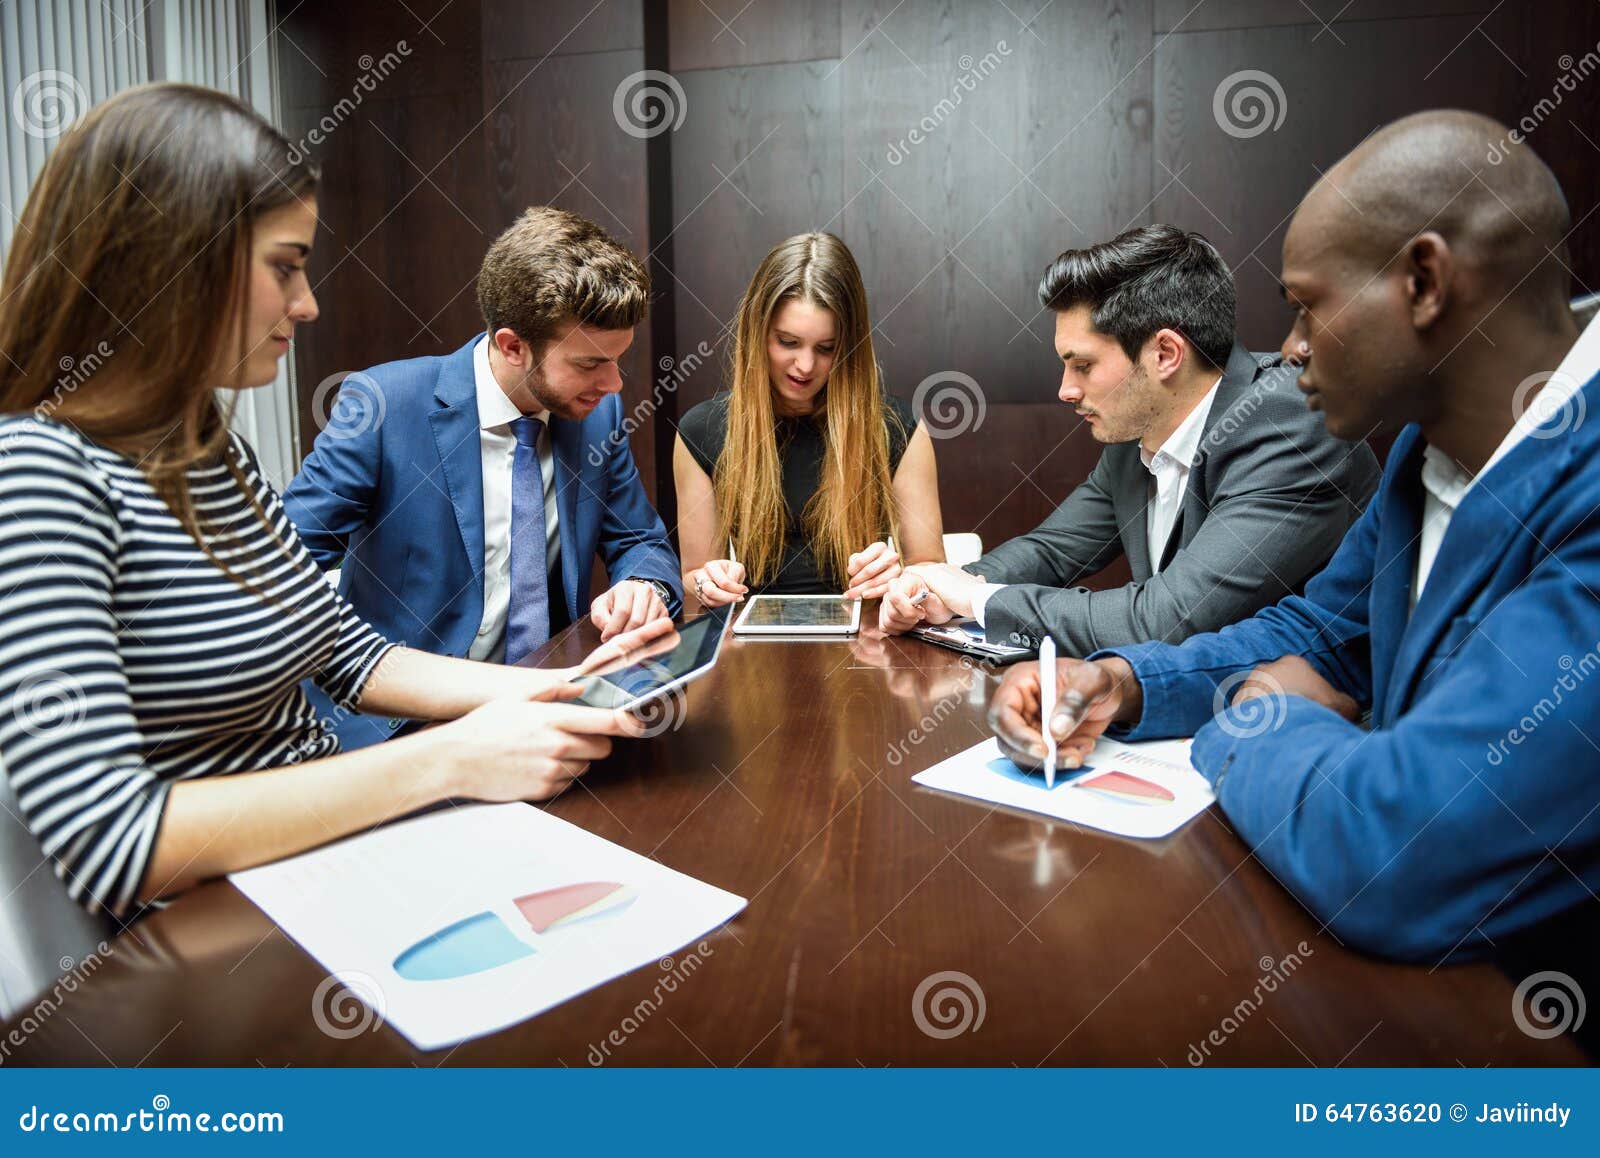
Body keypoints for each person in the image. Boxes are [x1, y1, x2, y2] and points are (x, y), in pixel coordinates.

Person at [0, 84, 666, 918]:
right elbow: (113, 842)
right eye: (285, 266)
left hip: (330, 859)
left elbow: (346, 654)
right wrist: (449, 762)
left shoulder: (215, 453)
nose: (307, 303)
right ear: (169, 265)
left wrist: (552, 689)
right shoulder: (37, 474)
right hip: (227, 924)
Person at [987, 111, 1600, 970]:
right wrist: (1123, 685)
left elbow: (1399, 853)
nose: (1294, 349)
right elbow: (1321, 638)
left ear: (1424, 280)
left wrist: (1248, 723)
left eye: (1308, 308)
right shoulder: (1424, 456)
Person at [283, 206, 681, 750]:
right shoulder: (382, 407)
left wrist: (644, 584)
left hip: (550, 708)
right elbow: (280, 575)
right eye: (590, 364)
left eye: (618, 361)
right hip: (406, 729)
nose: (613, 385)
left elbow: (639, 539)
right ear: (513, 346)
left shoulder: (596, 419)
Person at [879, 225, 1381, 653]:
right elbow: (1052, 551)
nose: (1066, 390)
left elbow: (1168, 620)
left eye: (1084, 365)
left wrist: (975, 599)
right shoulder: (1135, 437)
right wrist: (930, 588)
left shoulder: (1290, 425)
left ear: (1165, 353)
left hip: (1313, 726)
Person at [674, 232, 944, 606]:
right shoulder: (700, 432)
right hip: (752, 652)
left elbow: (930, 570)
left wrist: (902, 579)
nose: (804, 366)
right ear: (758, 332)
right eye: (787, 342)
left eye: (826, 349)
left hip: (867, 645)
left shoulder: (899, 428)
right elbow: (693, 575)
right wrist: (707, 583)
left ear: (849, 347)